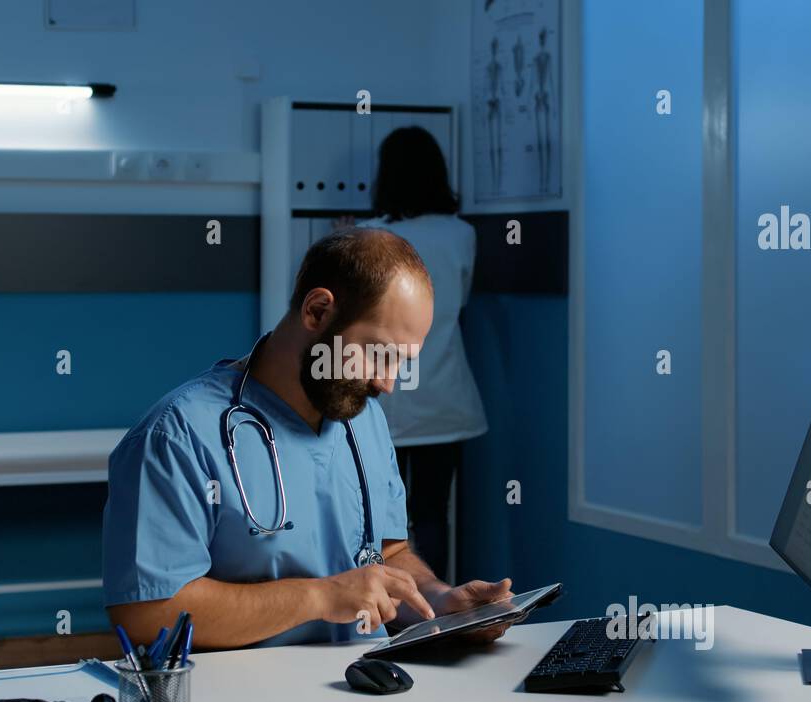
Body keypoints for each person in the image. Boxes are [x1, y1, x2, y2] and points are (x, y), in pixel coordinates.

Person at [103, 228, 511, 649]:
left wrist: (438, 601)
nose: (387, 383)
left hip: (360, 690)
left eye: (401, 362)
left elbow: (386, 557)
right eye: (378, 353)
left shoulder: (362, 415)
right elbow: (146, 614)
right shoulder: (177, 436)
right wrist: (320, 597)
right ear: (317, 311)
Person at [358, 127, 488, 583]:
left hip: (385, 400)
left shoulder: (368, 236)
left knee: (378, 517)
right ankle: (439, 610)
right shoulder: (462, 233)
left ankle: (389, 608)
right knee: (433, 514)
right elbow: (461, 299)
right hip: (447, 400)